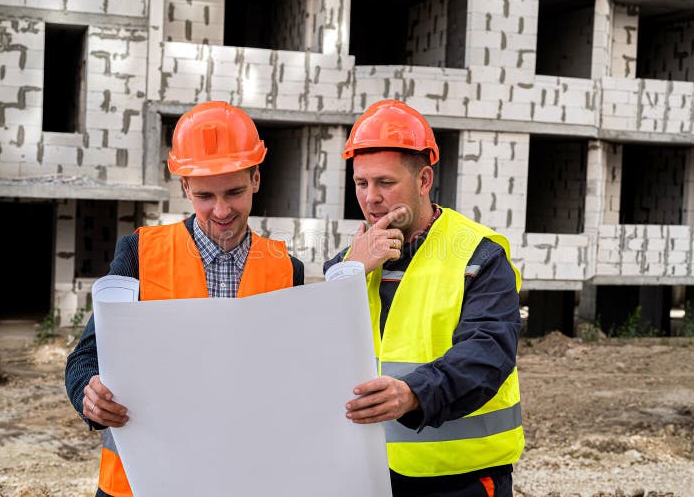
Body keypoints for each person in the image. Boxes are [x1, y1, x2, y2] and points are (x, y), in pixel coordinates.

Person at [65, 101, 304, 497]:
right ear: (185, 187)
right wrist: (87, 393)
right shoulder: (139, 254)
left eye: (235, 192)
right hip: (142, 479)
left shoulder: (286, 268)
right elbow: (86, 356)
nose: (222, 210)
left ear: (256, 178)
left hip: (242, 475)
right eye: (206, 196)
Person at [324, 100, 524, 497]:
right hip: (368, 475)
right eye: (361, 184)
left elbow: (487, 353)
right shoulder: (352, 261)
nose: (371, 198)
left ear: (424, 179)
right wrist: (348, 272)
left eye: (385, 182)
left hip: (459, 480)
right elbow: (314, 349)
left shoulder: (478, 254)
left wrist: (413, 393)